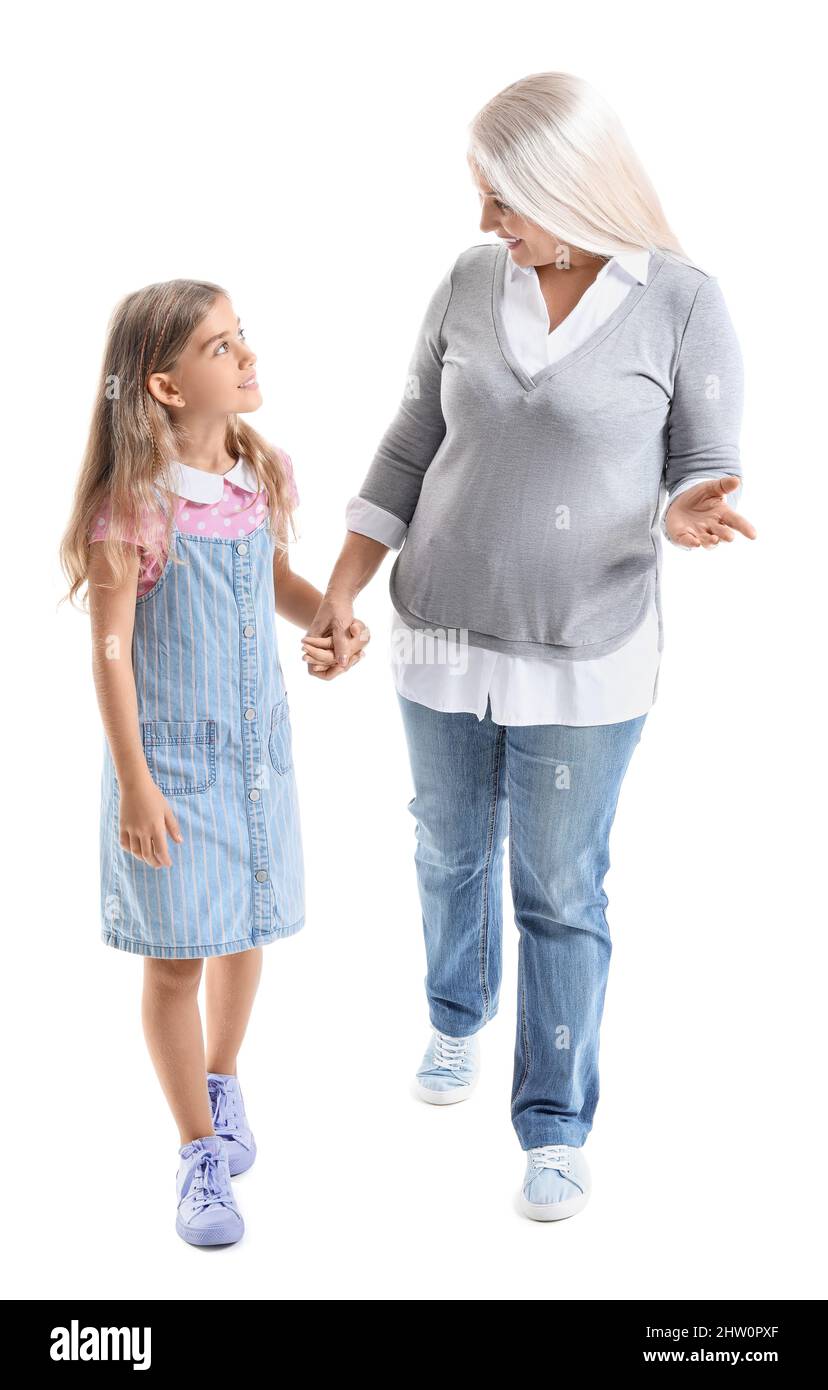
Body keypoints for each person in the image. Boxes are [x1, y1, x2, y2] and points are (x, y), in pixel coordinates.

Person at [300, 71, 756, 1222]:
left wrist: (688, 510)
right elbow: (409, 443)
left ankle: (553, 1123)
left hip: (585, 651)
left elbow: (704, 464)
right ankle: (457, 1016)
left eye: (507, 200)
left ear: (572, 182)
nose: (487, 223)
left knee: (559, 886)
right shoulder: (467, 279)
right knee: (447, 847)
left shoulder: (684, 302)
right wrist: (340, 595)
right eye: (483, 196)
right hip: (442, 630)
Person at [59, 279, 369, 1245]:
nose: (246, 355)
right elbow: (109, 649)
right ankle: (197, 1151)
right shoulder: (133, 508)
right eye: (220, 346)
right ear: (164, 385)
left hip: (255, 759)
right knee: (176, 958)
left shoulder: (257, 471)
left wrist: (329, 616)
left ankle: (221, 1078)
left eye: (243, 337)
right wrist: (137, 782)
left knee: (248, 928)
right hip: (173, 771)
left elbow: (273, 577)